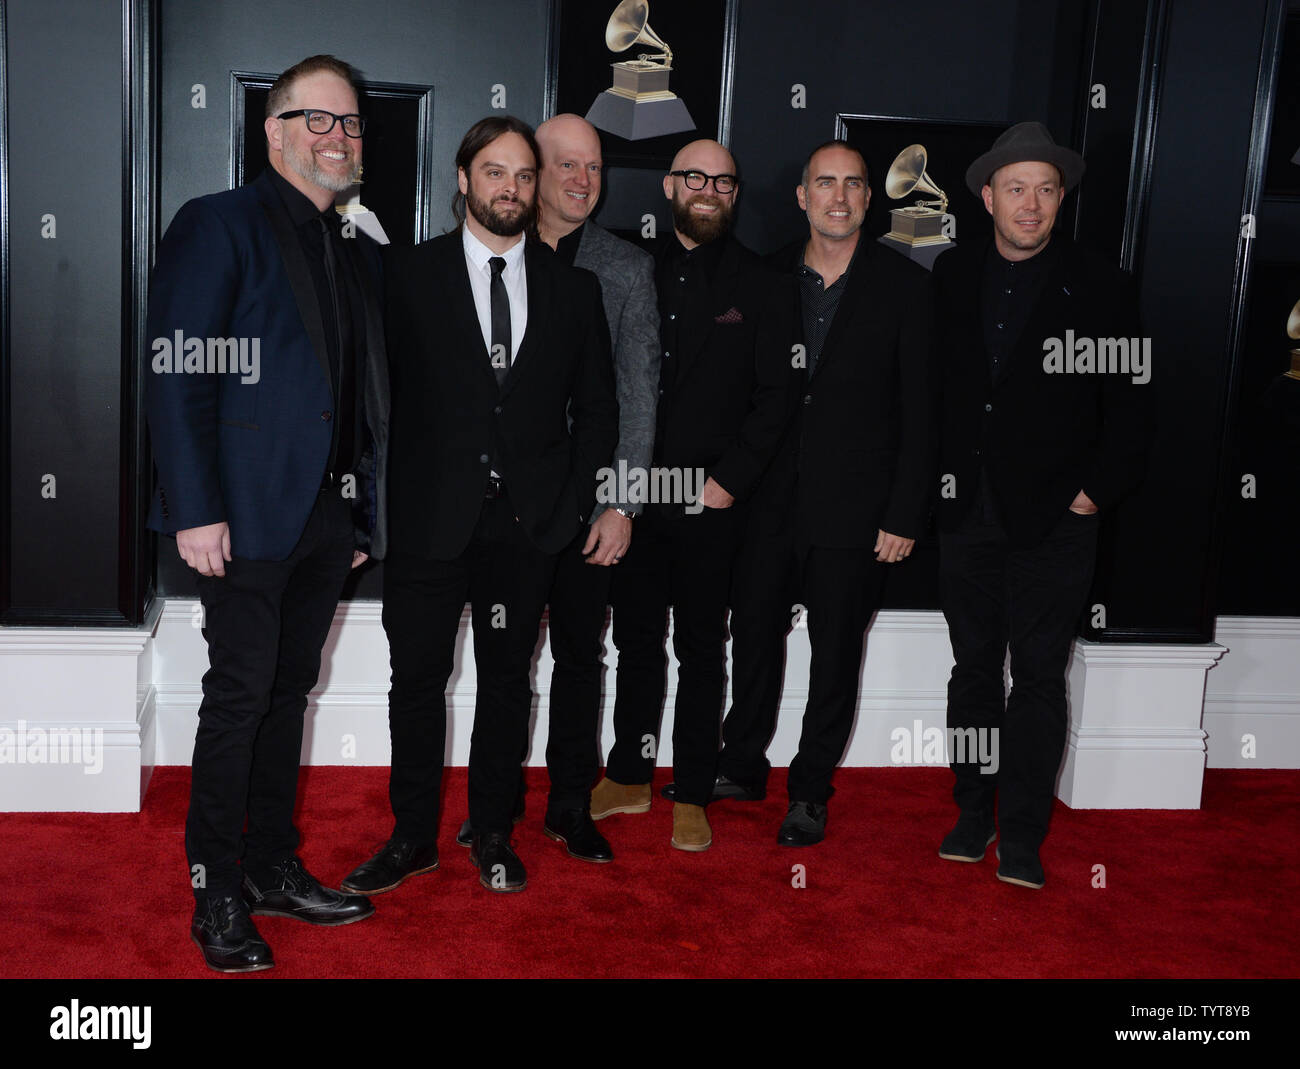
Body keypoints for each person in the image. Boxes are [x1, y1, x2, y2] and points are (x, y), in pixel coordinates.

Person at [146, 54, 386, 972]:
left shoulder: (353, 245)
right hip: (240, 518)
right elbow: (178, 370)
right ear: (274, 130)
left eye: (352, 124)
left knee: (290, 695)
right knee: (240, 699)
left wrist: (360, 515)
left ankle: (272, 866)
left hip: (327, 519)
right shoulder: (218, 224)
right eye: (318, 120)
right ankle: (215, 892)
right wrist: (196, 510)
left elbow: (360, 392)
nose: (339, 137)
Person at [342, 116, 617, 894]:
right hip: (430, 519)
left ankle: (493, 830)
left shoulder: (575, 288)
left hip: (528, 528)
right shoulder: (405, 276)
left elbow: (598, 410)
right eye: (495, 172)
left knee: (507, 683)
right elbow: (373, 401)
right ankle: (411, 837)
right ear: (463, 179)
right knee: (416, 685)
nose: (512, 188)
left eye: (525, 176)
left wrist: (576, 503)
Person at [932, 121, 1151, 888]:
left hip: (1057, 519)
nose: (1031, 204)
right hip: (966, 514)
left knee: (1036, 676)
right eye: (1017, 188)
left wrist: (1090, 496)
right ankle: (971, 809)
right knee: (971, 674)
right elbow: (934, 397)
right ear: (988, 196)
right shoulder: (951, 275)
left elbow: (1131, 408)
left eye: (1047, 189)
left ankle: (1022, 830)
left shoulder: (1101, 285)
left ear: (1062, 199)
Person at [711, 140, 938, 845]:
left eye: (853, 184)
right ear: (801, 195)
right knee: (752, 638)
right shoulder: (763, 277)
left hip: (858, 510)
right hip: (764, 503)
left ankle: (810, 788)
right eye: (824, 183)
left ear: (870, 199)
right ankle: (742, 762)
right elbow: (735, 396)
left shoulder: (908, 288)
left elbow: (925, 414)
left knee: (836, 654)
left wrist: (904, 510)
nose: (838, 197)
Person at [450, 113, 660, 863]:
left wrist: (620, 502)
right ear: (532, 172)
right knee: (502, 663)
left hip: (584, 505)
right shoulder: (483, 253)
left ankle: (571, 803)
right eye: (566, 165)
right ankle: (493, 807)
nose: (582, 180)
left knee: (580, 655)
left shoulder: (625, 269)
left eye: (595, 168)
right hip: (497, 504)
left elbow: (637, 398)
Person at [589, 139, 800, 852]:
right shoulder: (630, 267)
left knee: (703, 647)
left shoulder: (764, 282)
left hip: (712, 499)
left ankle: (696, 787)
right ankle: (628, 772)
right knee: (637, 639)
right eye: (694, 177)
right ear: (669, 186)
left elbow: (777, 396)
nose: (709, 189)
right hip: (638, 495)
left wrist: (729, 480)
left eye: (723, 180)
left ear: (734, 194)